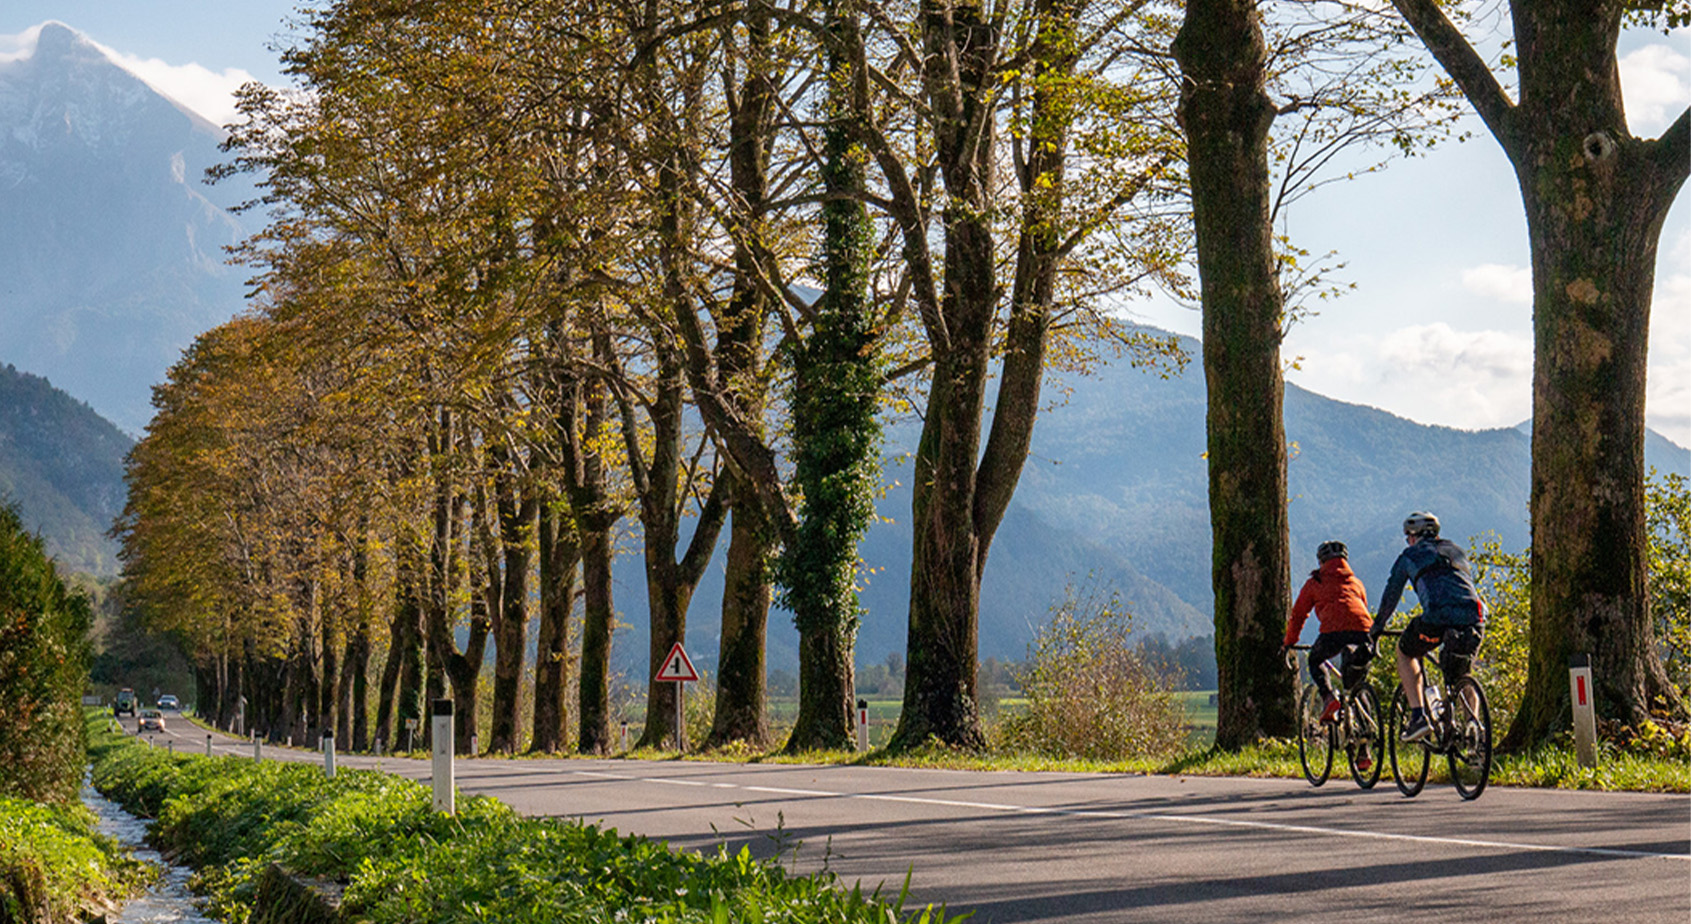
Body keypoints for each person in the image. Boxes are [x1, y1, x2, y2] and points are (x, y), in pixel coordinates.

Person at [1368, 511, 1485, 743]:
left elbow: (1392, 594)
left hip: (1436, 619)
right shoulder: (1458, 551)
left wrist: (1378, 626)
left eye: (1408, 537)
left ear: (1413, 536)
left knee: (1406, 651)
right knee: (1461, 673)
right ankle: (1474, 724)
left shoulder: (1409, 555)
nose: (1408, 541)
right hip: (1475, 617)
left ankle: (1419, 717)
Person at [1281, 541, 1375, 727]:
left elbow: (1299, 615)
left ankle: (1328, 698)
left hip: (1333, 632)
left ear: (1321, 561)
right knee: (1357, 684)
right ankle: (1365, 745)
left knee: (1315, 660)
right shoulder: (1356, 583)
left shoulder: (1315, 582)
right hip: (1364, 632)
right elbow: (1361, 609)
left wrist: (1289, 642)